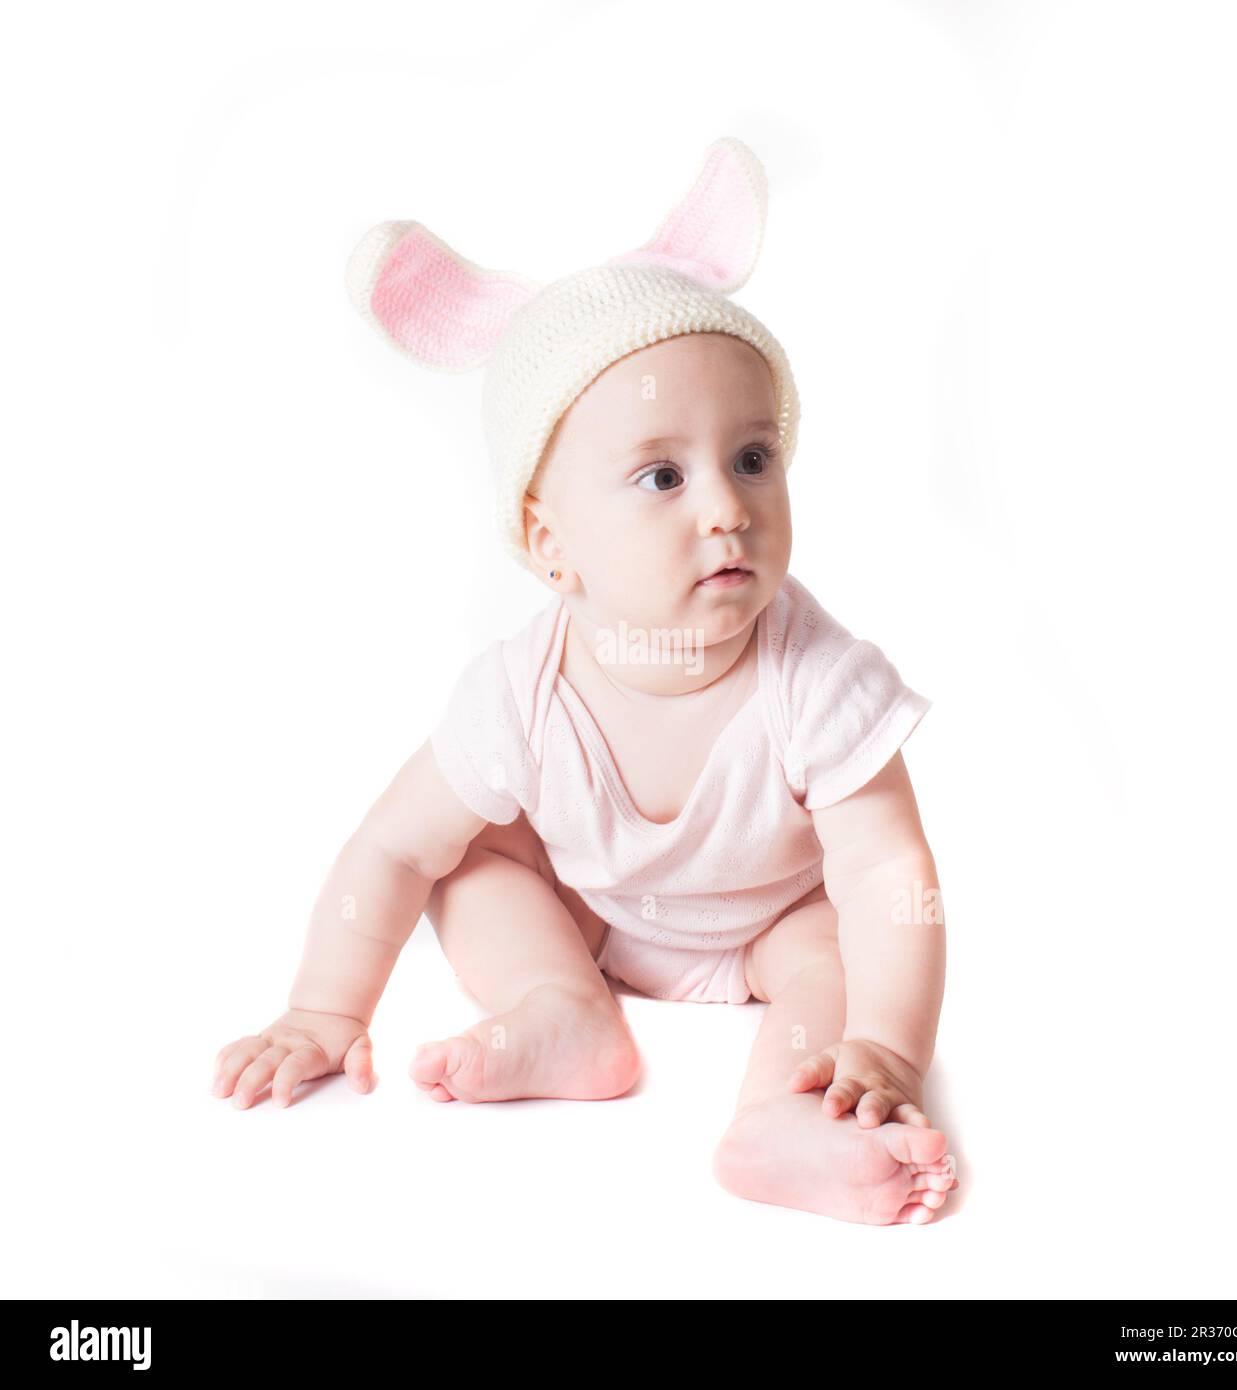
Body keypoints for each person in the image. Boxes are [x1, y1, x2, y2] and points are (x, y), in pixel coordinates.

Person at [211, 136, 958, 1225]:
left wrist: (885, 1045)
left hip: (765, 926)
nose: (727, 506)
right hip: (591, 912)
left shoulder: (817, 677)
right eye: (662, 474)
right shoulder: (519, 693)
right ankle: (559, 1005)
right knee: (465, 867)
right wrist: (322, 1011)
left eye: (753, 457)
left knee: (828, 950)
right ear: (547, 539)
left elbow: (890, 868)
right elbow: (391, 846)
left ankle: (787, 1116)